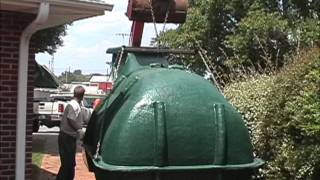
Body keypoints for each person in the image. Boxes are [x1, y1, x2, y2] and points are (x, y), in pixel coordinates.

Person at [56, 86, 86, 180]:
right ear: (82, 96)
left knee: (69, 164)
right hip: (67, 137)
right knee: (67, 164)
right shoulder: (74, 105)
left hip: (67, 137)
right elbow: (70, 118)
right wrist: (79, 130)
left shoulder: (74, 104)